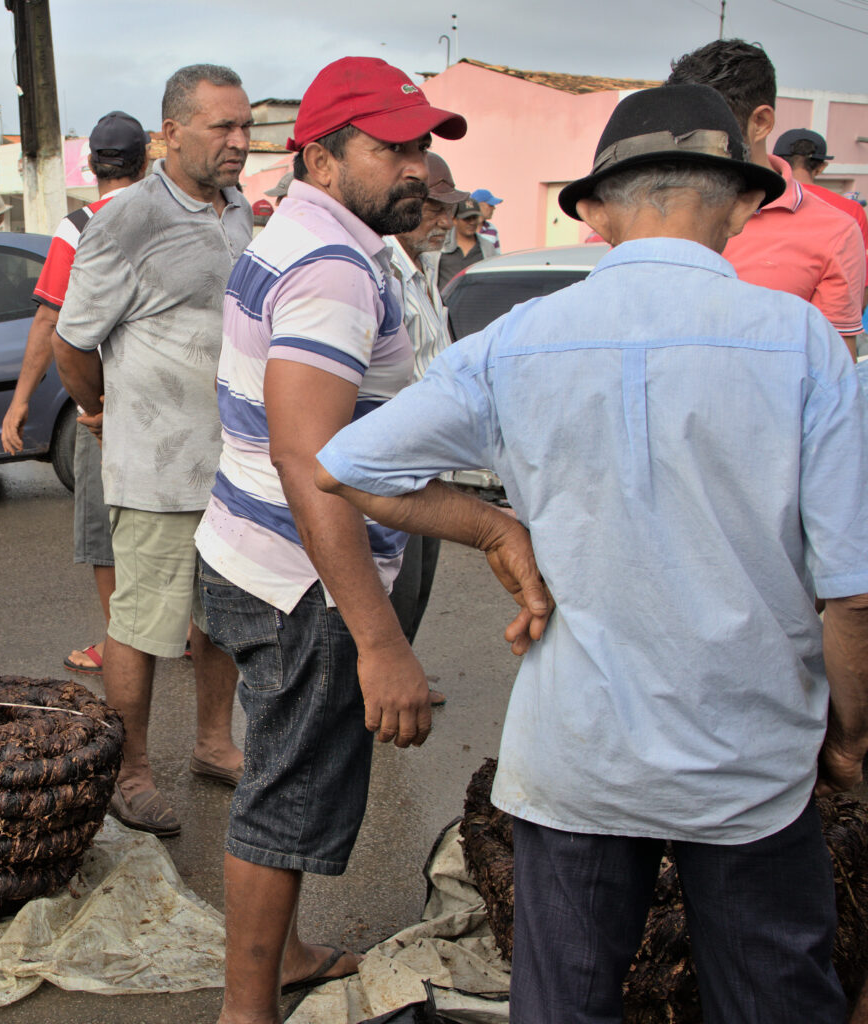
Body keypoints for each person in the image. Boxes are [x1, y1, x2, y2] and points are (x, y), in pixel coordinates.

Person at [317, 83, 868, 1024]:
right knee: (776, 999)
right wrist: (852, 744)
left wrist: (497, 528)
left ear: (598, 210)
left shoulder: (517, 342)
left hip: (578, 759)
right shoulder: (803, 345)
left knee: (566, 1006)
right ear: (741, 203)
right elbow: (851, 598)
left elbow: (347, 465)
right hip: (751, 760)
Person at [194, 56, 466, 1024]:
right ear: (321, 154)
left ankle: (289, 951)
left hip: (252, 549)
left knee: (285, 773)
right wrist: (381, 641)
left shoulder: (307, 233)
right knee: (287, 795)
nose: (415, 164)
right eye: (392, 145)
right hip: (303, 575)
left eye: (420, 143)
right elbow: (315, 463)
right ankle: (245, 1008)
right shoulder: (332, 269)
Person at [53, 64, 252, 837]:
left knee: (225, 620)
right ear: (170, 133)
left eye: (244, 127)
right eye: (221, 128)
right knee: (141, 626)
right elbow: (75, 341)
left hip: (233, 465)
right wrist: (99, 413)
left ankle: (211, 743)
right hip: (156, 470)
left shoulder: (237, 212)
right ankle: (129, 771)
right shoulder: (128, 219)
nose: (239, 142)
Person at [0, 110, 151, 677]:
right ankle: (186, 629)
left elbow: (49, 322)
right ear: (146, 161)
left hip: (105, 407)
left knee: (103, 526)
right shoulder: (177, 219)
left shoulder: (81, 226)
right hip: (170, 399)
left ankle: (118, 643)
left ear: (90, 166)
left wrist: (20, 400)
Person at [669, 39, 865, 352]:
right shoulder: (653, 208)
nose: (687, 142)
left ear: (760, 122)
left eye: (705, 131)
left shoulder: (834, 233)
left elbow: (833, 372)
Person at [387, 151, 467, 653]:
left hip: (430, 458)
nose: (444, 221)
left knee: (418, 583)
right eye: (434, 209)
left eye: (450, 210)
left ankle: (401, 670)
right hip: (400, 458)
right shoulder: (387, 271)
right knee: (398, 584)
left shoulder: (425, 270)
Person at [774, 127, 868, 250]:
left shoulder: (758, 201)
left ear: (775, 162)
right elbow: (860, 264)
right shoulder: (851, 209)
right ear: (821, 167)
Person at [434, 197, 498, 286]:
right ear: (454, 220)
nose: (472, 222)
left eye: (474, 218)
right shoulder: (440, 246)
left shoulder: (487, 248)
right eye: (467, 218)